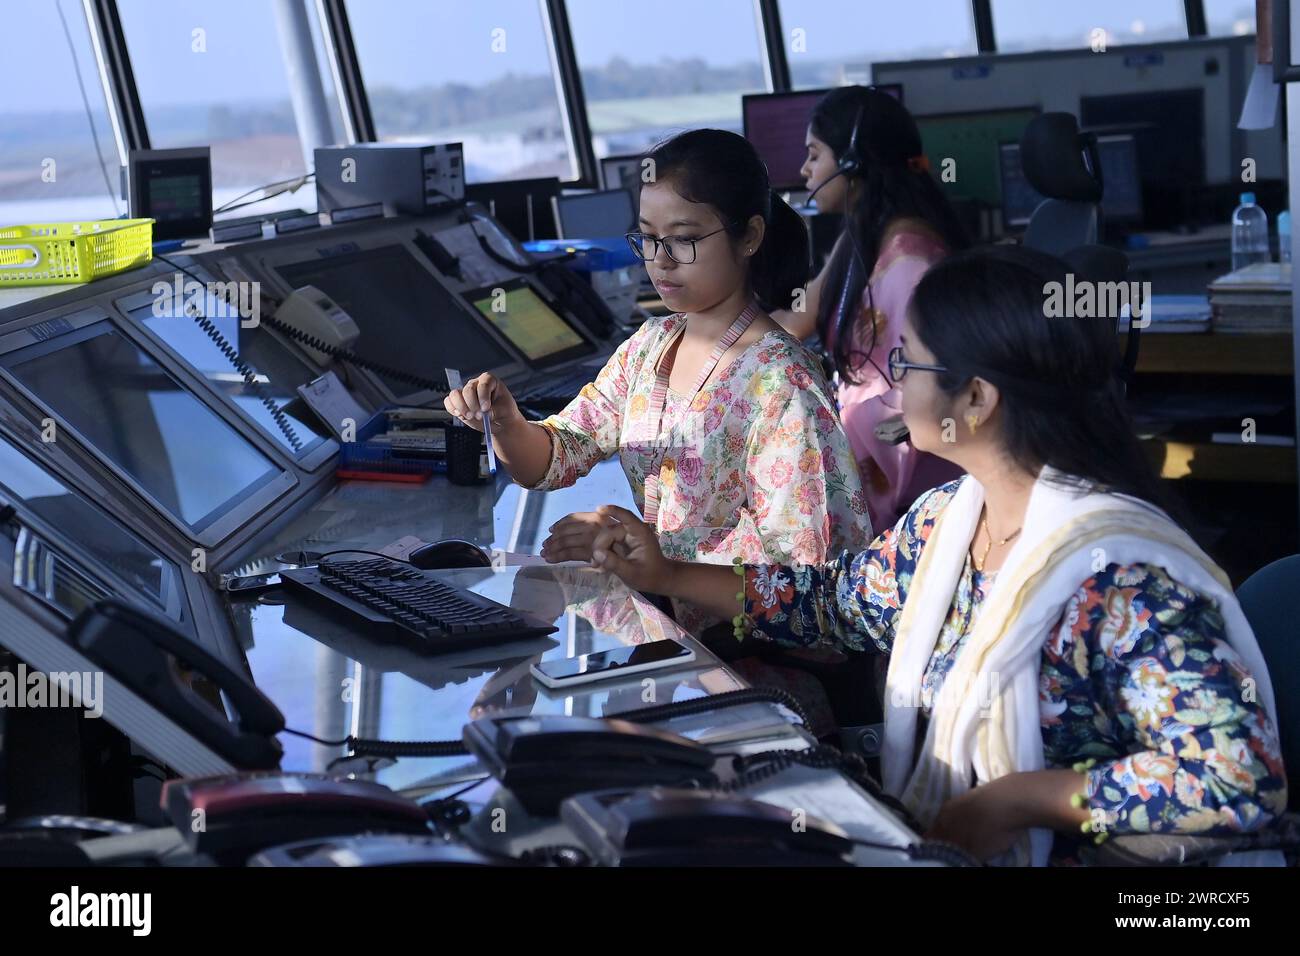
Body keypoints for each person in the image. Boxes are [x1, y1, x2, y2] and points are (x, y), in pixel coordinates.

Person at [586, 246, 1287, 865]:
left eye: (907, 361)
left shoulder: (1122, 579)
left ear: (975, 399)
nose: (894, 382)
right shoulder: (951, 519)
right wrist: (669, 574)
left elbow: (1236, 782)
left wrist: (1016, 801)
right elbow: (837, 605)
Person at [444, 128, 871, 634]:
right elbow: (557, 456)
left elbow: (799, 585)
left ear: (750, 236)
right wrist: (508, 421)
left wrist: (649, 554)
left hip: (750, 656)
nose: (660, 260)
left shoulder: (782, 385)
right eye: (648, 237)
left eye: (685, 240)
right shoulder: (650, 346)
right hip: (667, 619)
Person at [773, 86, 969, 531]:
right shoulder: (864, 234)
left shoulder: (911, 263)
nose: (804, 169)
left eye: (814, 154)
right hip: (871, 444)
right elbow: (796, 320)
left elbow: (927, 400)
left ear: (851, 163)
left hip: (912, 479)